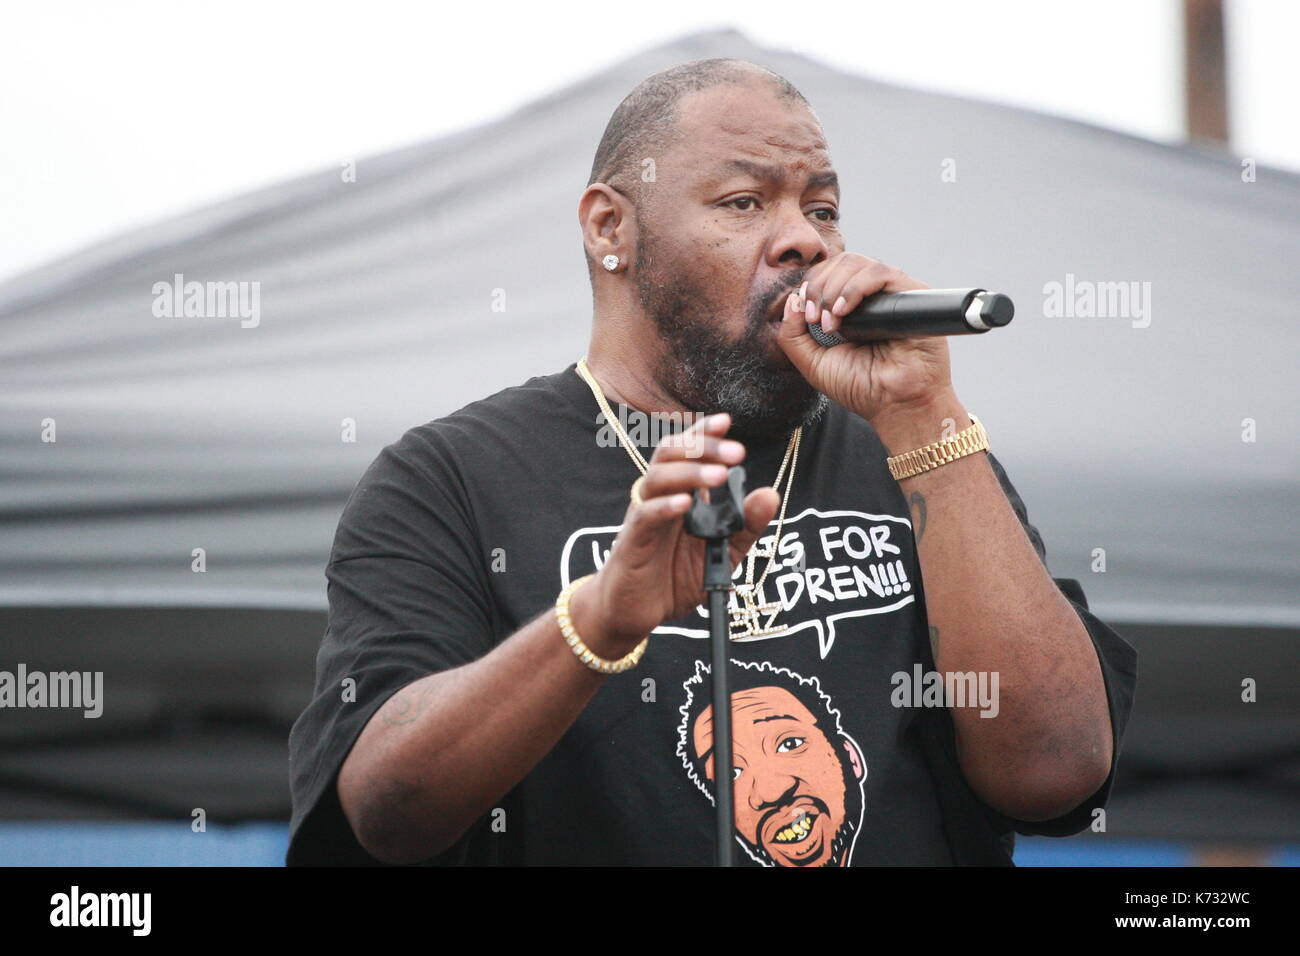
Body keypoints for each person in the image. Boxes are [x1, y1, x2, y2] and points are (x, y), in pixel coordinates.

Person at [286, 58, 1137, 866]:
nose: (803, 239)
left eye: (824, 208)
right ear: (610, 227)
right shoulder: (451, 479)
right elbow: (386, 810)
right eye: (743, 202)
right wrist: (596, 626)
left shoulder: (917, 451)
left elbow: (1056, 770)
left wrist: (926, 415)